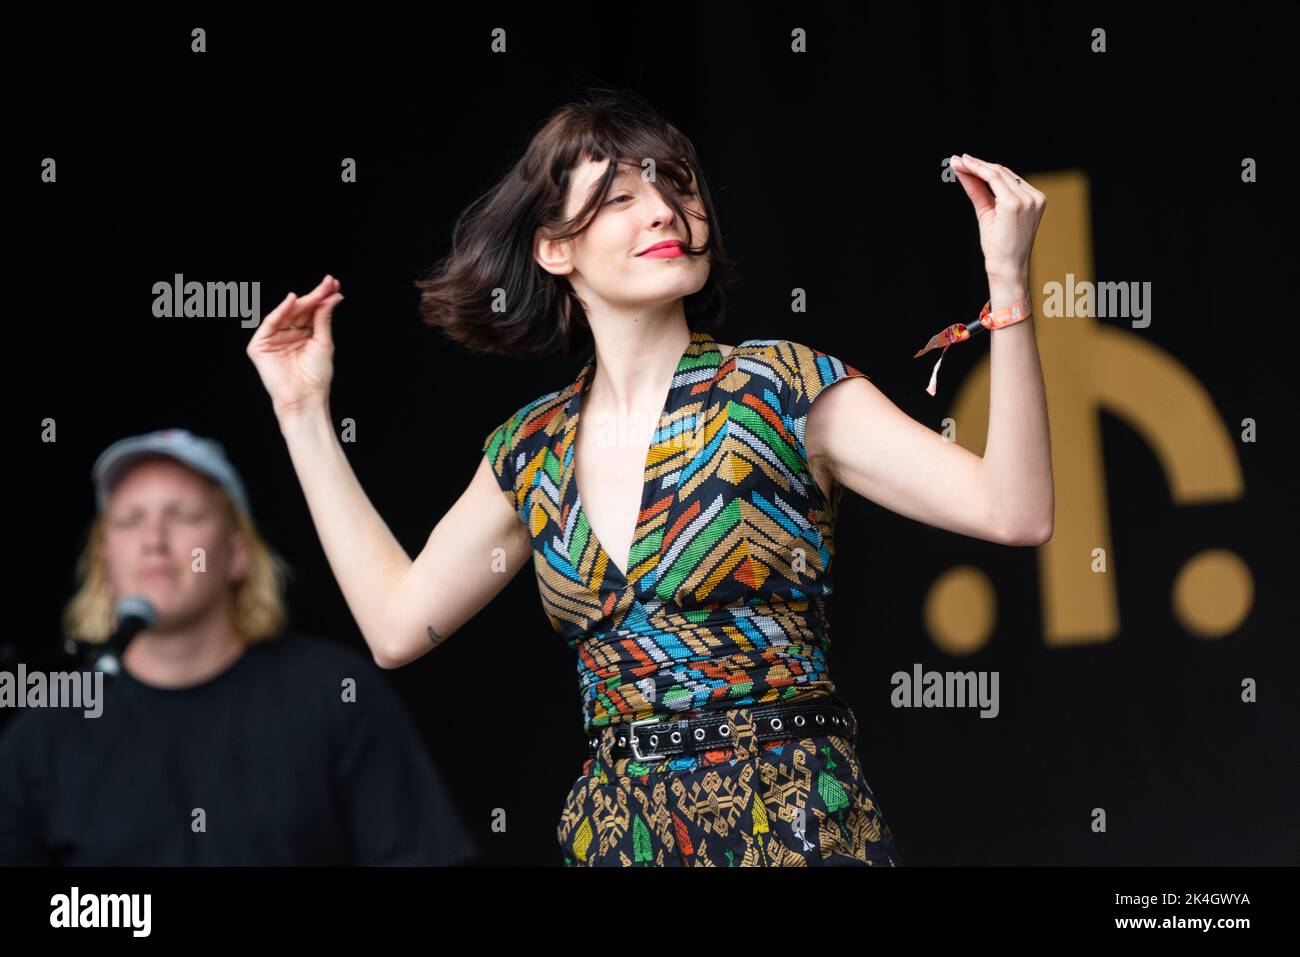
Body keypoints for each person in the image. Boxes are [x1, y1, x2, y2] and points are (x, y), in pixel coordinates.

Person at [245, 88, 1052, 866]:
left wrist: (1009, 289)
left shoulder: (780, 387)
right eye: (619, 197)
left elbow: (1014, 511)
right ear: (554, 246)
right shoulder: (533, 448)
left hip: (795, 822)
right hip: (618, 833)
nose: (664, 208)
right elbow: (395, 626)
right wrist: (304, 413)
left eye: (678, 187)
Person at [0, 428, 479, 866]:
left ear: (237, 552)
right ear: (105, 557)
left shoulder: (335, 695)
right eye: (129, 520)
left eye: (182, 516)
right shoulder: (44, 731)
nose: (154, 539)